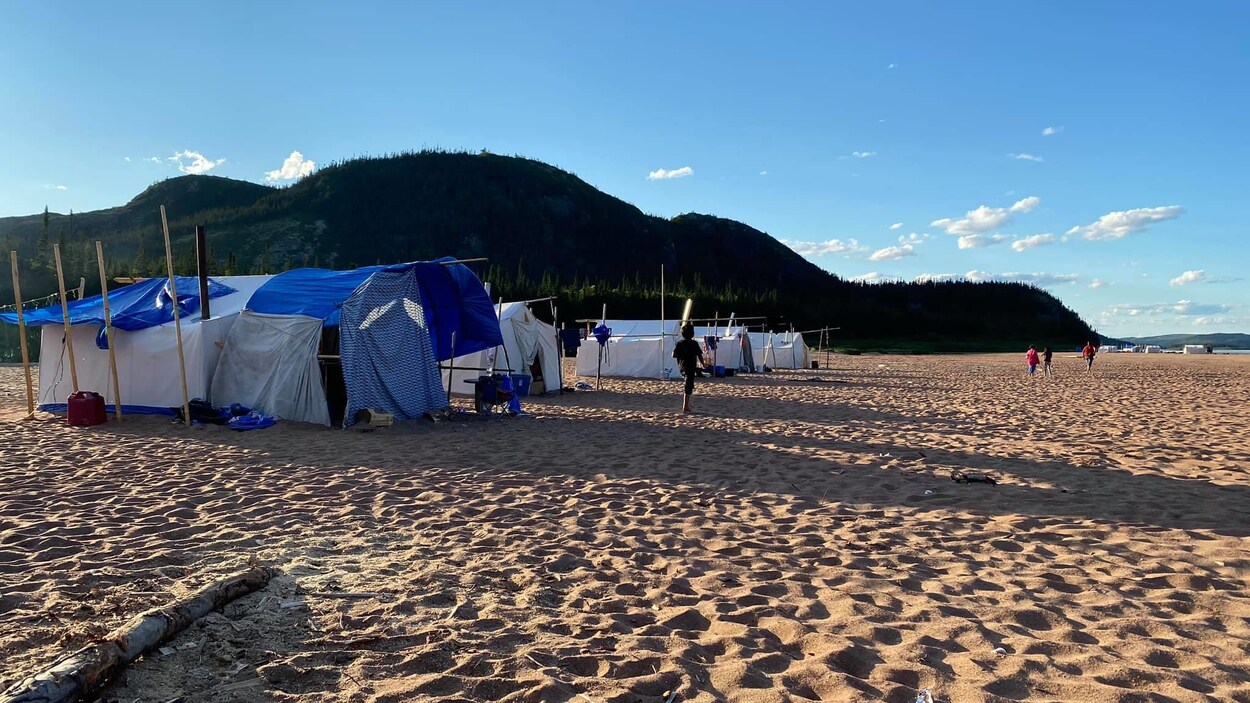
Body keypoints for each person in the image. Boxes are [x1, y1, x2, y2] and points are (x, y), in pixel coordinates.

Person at [672, 323, 704, 413]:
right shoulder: (694, 343)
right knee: (688, 386)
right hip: (690, 367)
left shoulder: (680, 343)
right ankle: (685, 407)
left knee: (688, 384)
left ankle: (686, 406)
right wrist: (703, 364)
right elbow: (700, 355)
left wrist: (681, 355)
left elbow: (673, 355)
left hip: (682, 367)